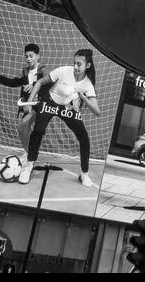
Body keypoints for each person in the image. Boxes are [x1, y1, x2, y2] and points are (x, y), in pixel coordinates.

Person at [18, 48, 101, 187]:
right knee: (38, 131)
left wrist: (82, 97)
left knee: (84, 138)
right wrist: (29, 102)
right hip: (49, 102)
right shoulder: (63, 71)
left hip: (67, 108)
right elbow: (39, 83)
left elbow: (97, 112)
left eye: (79, 64)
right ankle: (29, 164)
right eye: (74, 63)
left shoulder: (87, 84)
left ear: (87, 66)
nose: (75, 67)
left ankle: (84, 173)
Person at [0, 42, 43, 151]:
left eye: (31, 56)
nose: (28, 59)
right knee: (22, 129)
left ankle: (30, 154)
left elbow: (49, 83)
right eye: (26, 57)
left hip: (41, 106)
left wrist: (34, 85)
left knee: (24, 125)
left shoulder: (44, 70)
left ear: (38, 56)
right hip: (28, 106)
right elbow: (13, 82)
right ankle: (28, 153)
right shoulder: (26, 72)